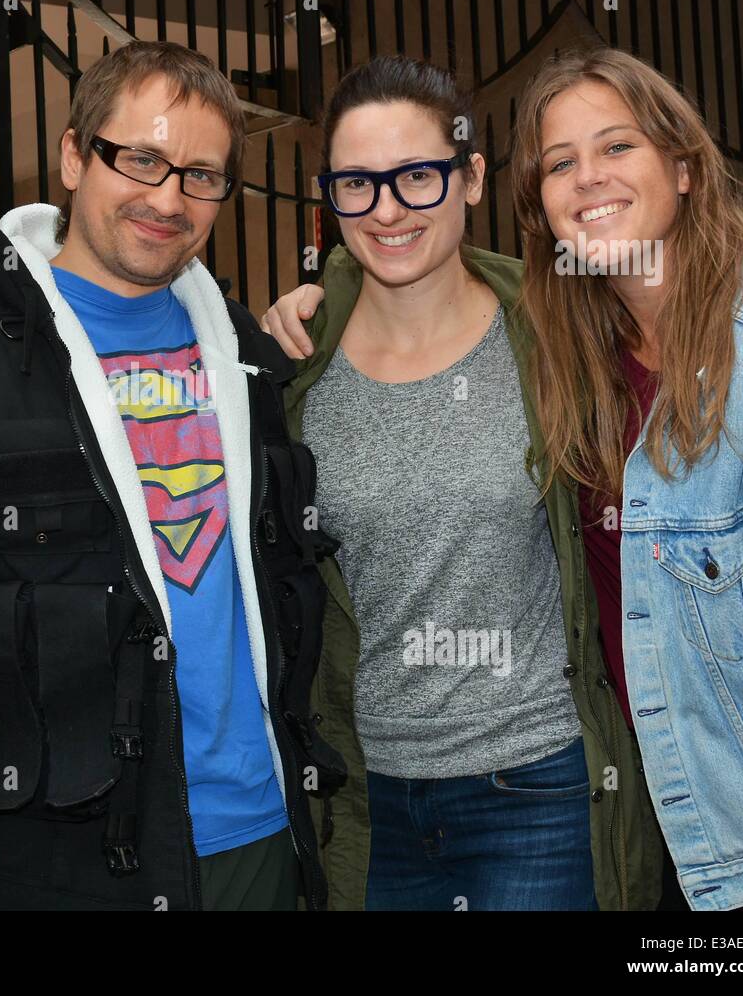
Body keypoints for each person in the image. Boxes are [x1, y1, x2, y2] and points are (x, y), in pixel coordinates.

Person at [0, 40, 343, 910]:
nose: (167, 197)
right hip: (58, 869)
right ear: (74, 156)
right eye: (140, 158)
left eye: (200, 174)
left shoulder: (247, 359)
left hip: (260, 842)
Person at [260, 55, 661, 911]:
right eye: (356, 184)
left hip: (538, 788)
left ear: (473, 175)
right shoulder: (295, 368)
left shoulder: (555, 329)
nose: (388, 209)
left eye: (417, 175)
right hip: (371, 804)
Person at [511, 48, 743, 911]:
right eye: (559, 164)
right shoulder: (588, 360)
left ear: (682, 167)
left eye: (616, 148)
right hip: (678, 840)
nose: (587, 179)